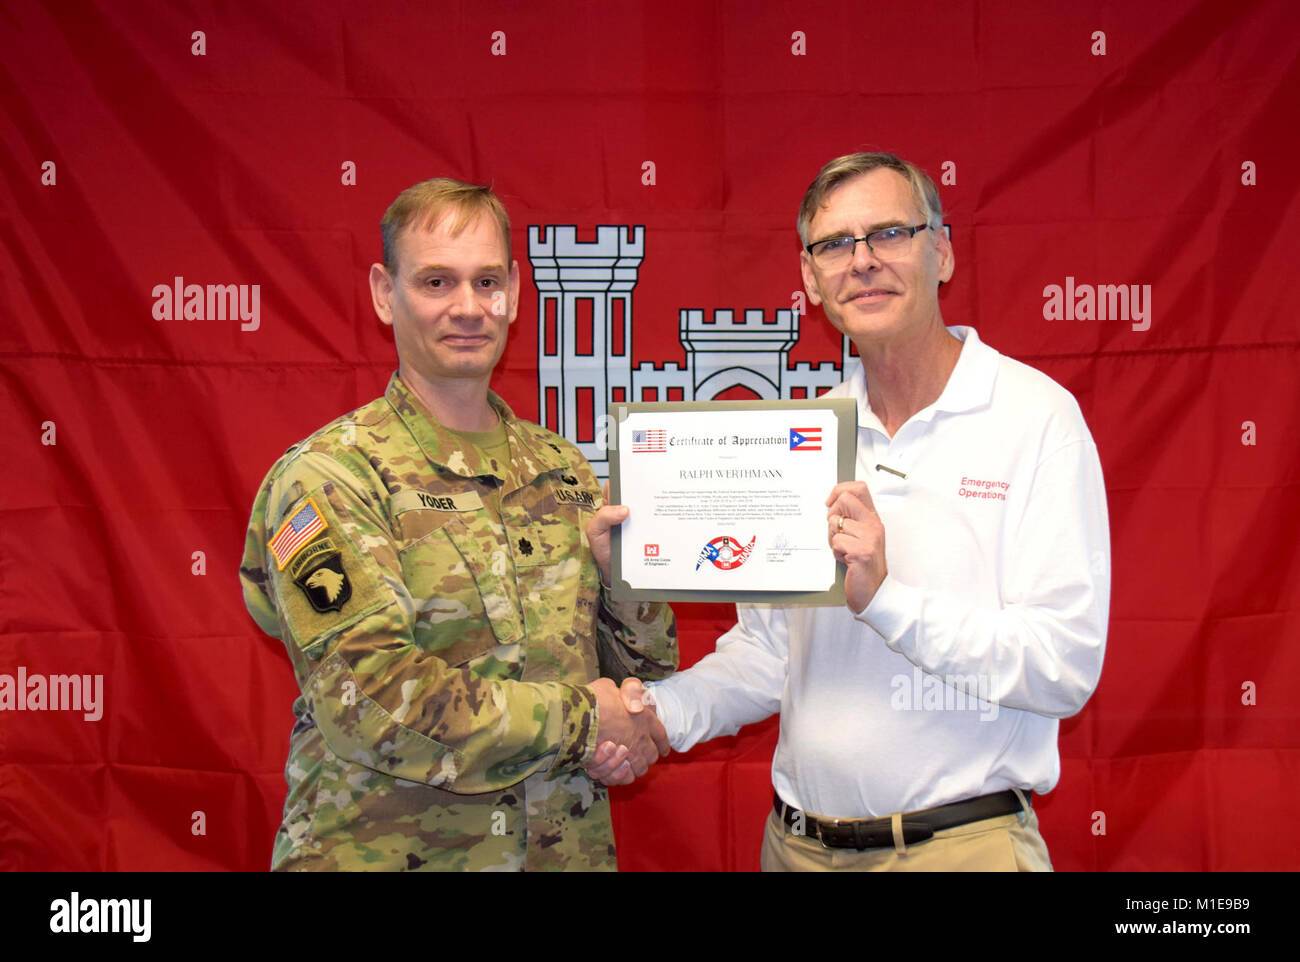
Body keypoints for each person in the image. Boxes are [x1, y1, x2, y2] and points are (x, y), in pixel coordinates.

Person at [592, 152, 1110, 871]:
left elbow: (1063, 668)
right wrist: (656, 717)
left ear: (943, 252)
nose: (862, 261)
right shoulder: (806, 434)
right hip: (798, 848)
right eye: (835, 244)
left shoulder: (1036, 418)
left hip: (961, 850)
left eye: (890, 233)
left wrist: (887, 599)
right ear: (810, 279)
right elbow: (770, 655)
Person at [239, 177, 677, 871]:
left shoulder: (563, 470)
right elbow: (372, 700)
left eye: (486, 281)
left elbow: (642, 672)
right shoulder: (329, 477)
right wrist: (588, 724)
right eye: (437, 282)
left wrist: (625, 582)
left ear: (516, 290)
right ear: (386, 293)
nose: (468, 308)